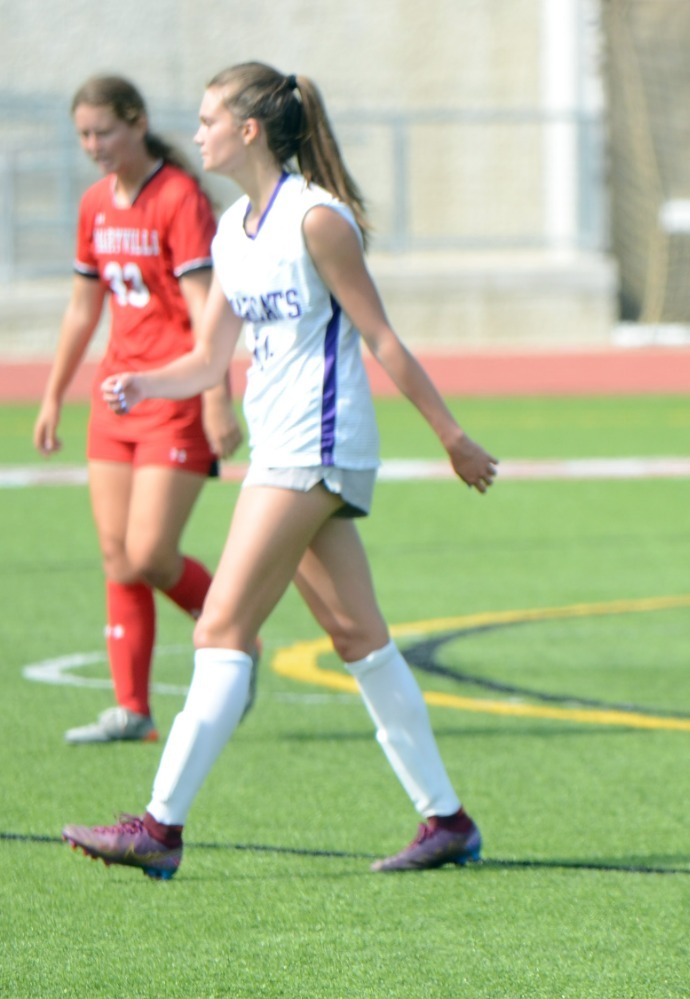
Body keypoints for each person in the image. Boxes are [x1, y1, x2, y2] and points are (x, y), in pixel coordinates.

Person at [60, 61, 498, 880]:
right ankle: (448, 820)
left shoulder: (317, 219)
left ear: (249, 130)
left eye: (208, 120)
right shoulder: (233, 229)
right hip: (282, 447)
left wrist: (452, 436)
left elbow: (383, 338)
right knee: (359, 636)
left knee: (220, 629)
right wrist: (143, 383)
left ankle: (158, 828)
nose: (196, 133)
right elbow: (209, 359)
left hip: (316, 447)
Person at [34, 74, 240, 745]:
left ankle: (236, 634)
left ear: (138, 124)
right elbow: (82, 309)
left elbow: (205, 311)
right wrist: (53, 395)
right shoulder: (96, 203)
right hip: (115, 401)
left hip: (173, 398)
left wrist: (216, 398)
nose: (94, 145)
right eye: (84, 135)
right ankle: (132, 710)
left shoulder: (179, 198)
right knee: (116, 555)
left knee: (150, 553)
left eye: (104, 131)